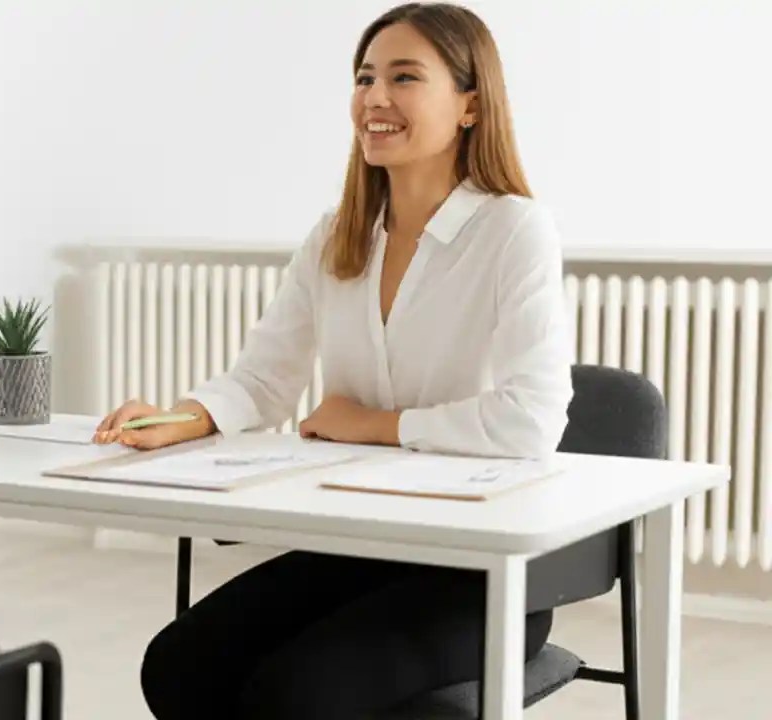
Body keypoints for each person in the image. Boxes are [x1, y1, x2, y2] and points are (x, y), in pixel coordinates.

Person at [95, 3, 573, 717]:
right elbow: (263, 379)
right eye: (364, 77)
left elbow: (531, 420)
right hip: (357, 544)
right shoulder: (336, 235)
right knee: (178, 666)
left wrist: (373, 424)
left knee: (293, 697)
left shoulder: (514, 230)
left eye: (404, 77)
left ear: (470, 105)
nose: (375, 97)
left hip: (478, 570)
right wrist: (180, 418)